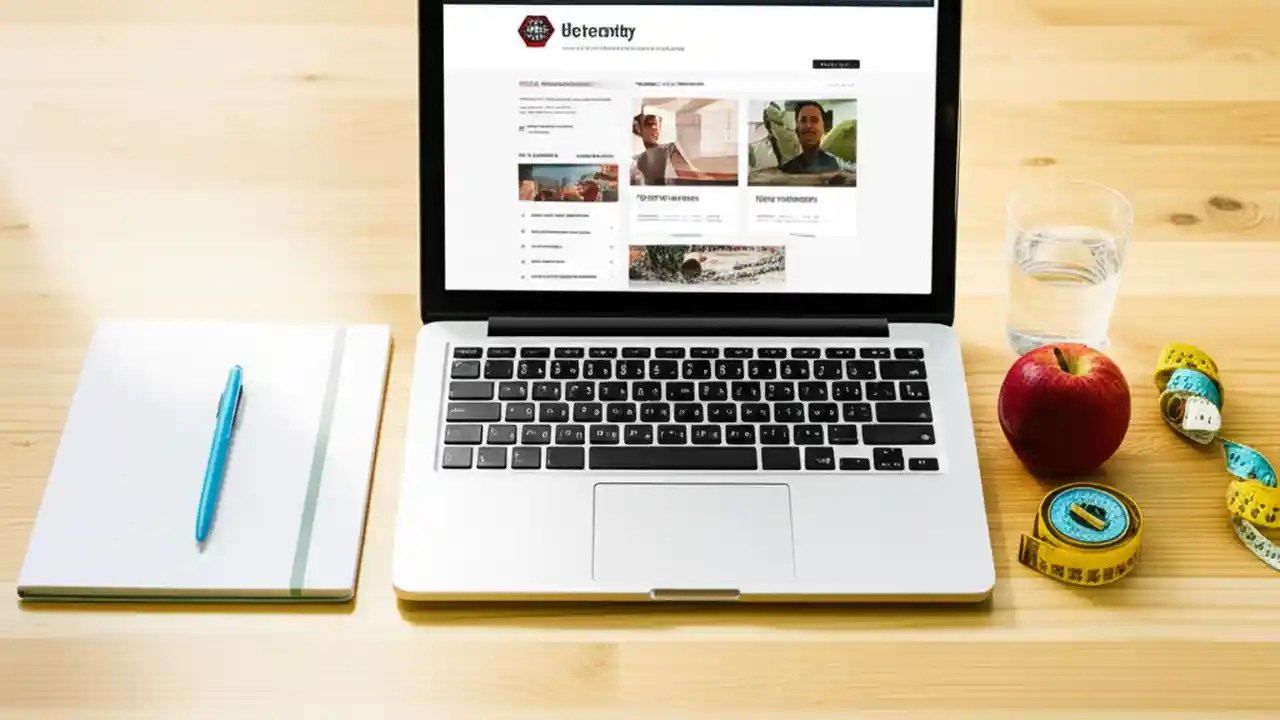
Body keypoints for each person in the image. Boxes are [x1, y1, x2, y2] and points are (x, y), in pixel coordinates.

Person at [779, 101, 855, 174]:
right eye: (803, 120)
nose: (809, 125)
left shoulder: (837, 164)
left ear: (823, 128)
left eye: (814, 120)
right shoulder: (787, 169)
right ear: (797, 130)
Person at [630, 112, 684, 186]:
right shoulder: (635, 163)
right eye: (649, 123)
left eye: (658, 123)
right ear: (638, 128)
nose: (655, 127)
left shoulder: (671, 149)